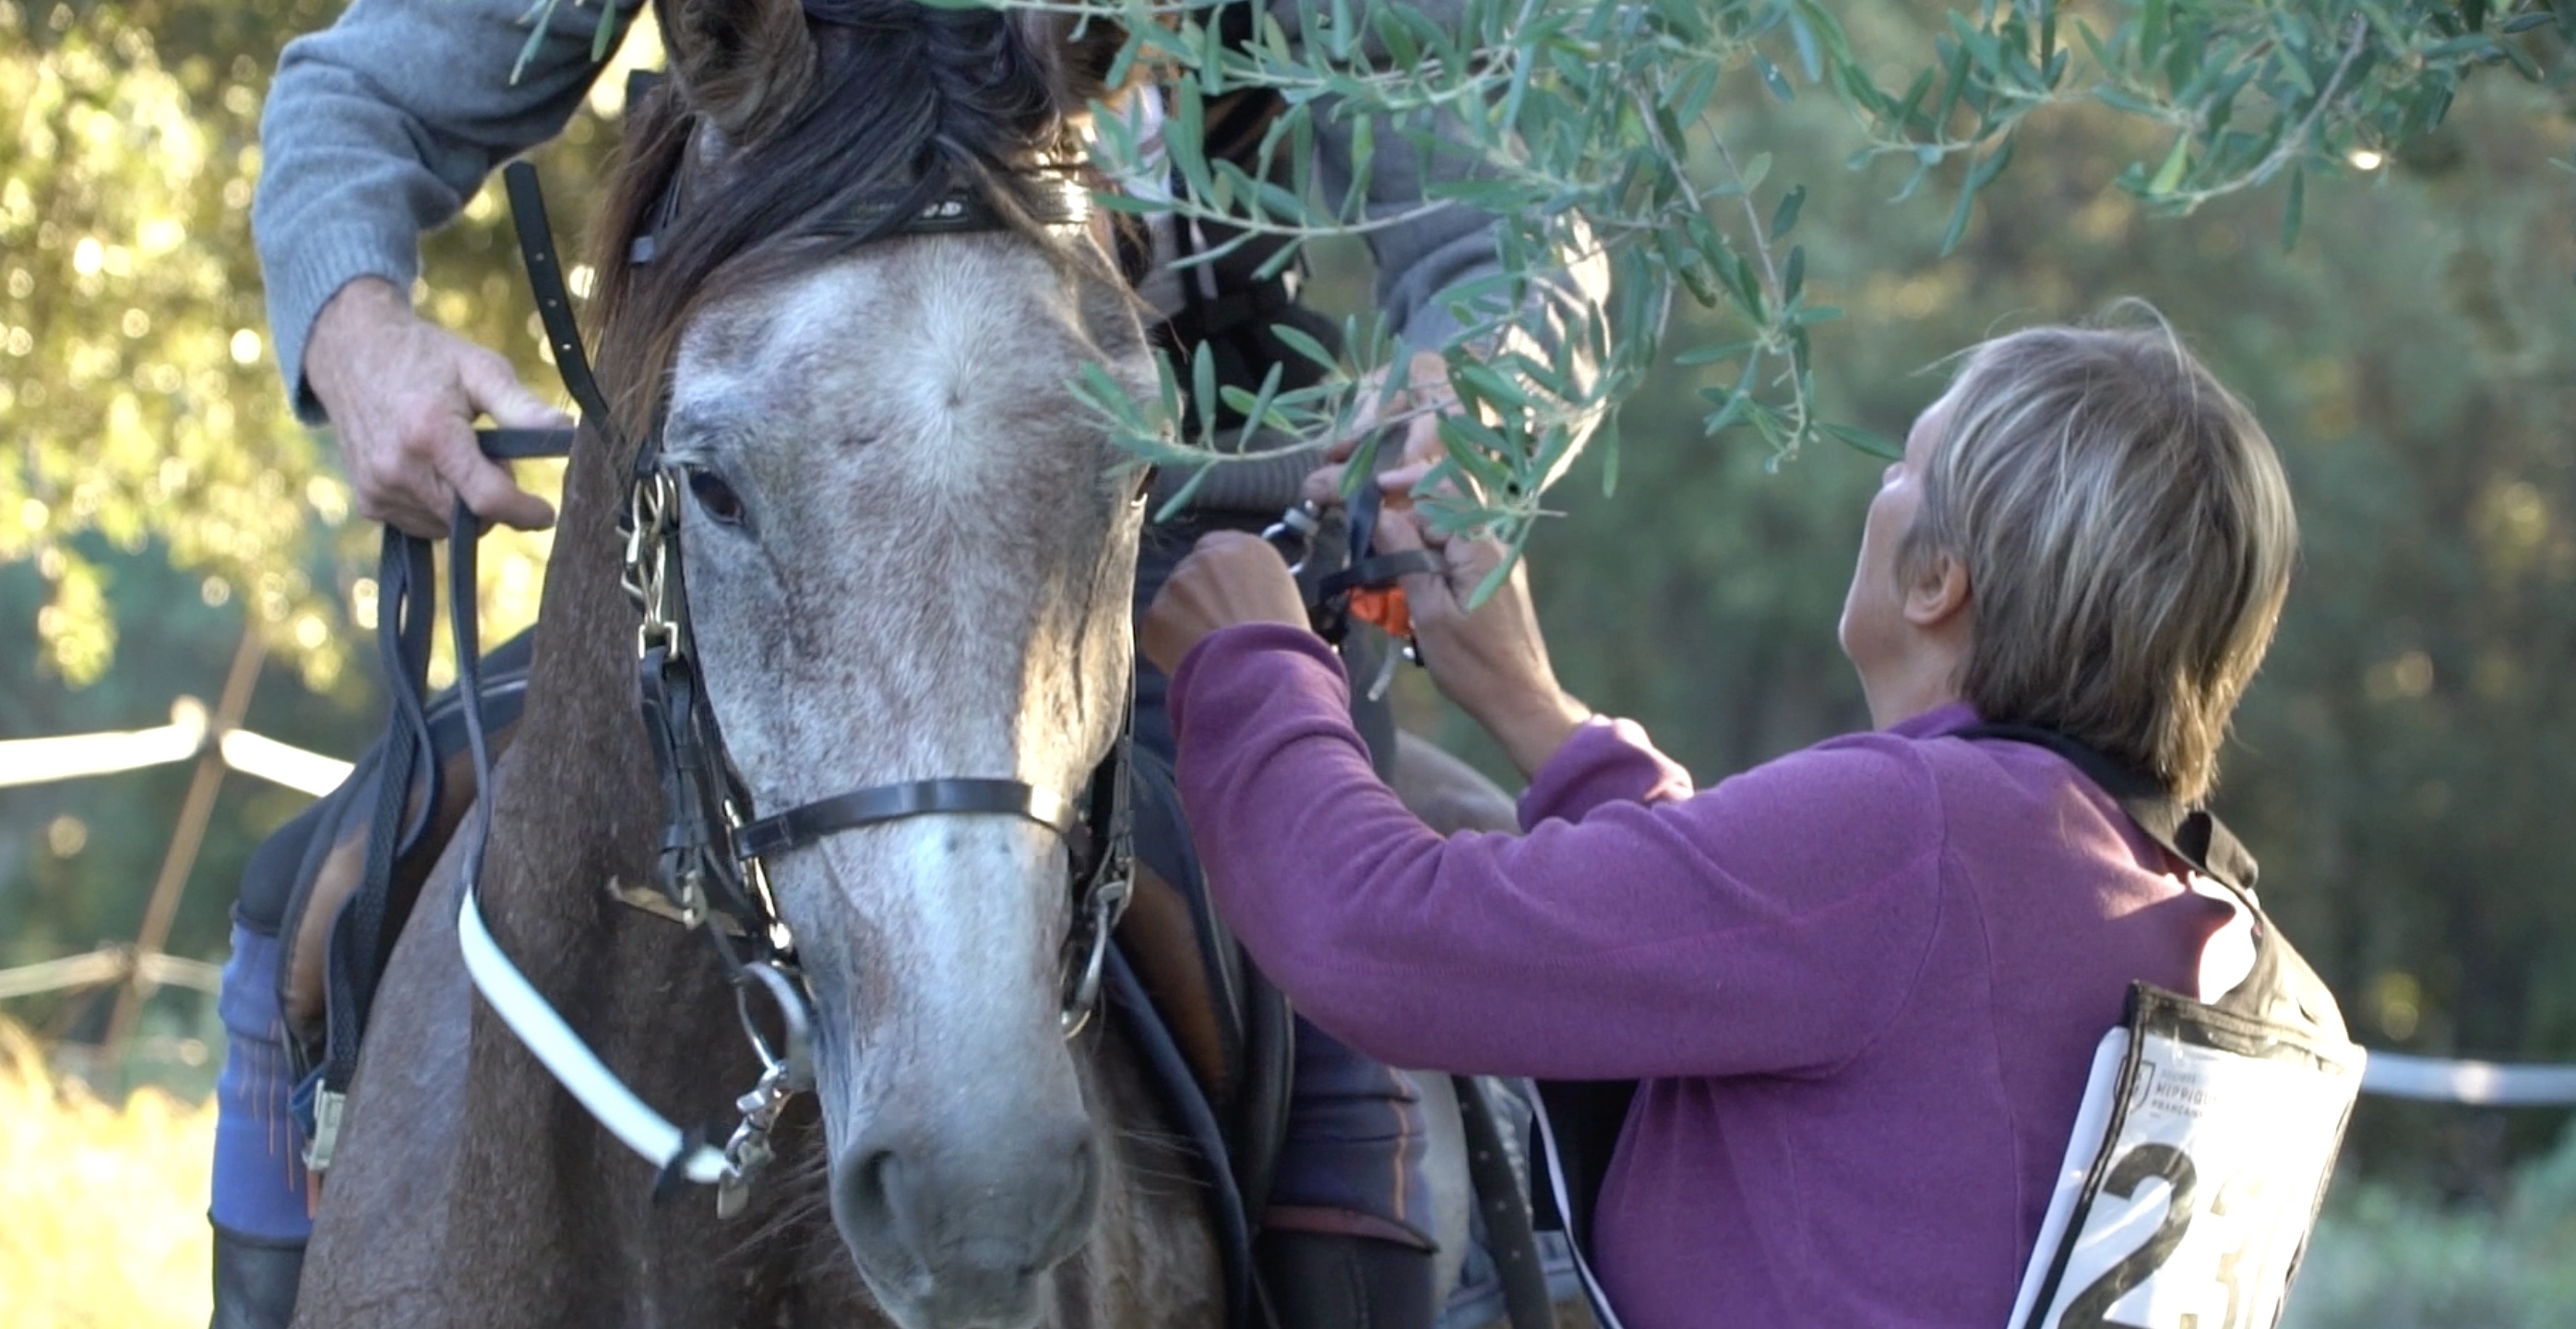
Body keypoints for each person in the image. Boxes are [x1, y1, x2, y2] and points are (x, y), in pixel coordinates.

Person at [213, 0, 1603, 1326]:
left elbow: (1525, 235)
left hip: (1162, 533)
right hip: (769, 530)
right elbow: (356, 99)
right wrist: (357, 328)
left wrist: (1479, 395)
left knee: (1321, 967)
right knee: (317, 891)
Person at [1140, 310, 2300, 1327]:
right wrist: (1523, 699)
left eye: (1901, 470)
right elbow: (1776, 944)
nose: (1877, 492)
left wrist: (1252, 661)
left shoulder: (1917, 835)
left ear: (1934, 577)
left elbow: (1374, 938)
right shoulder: (2204, 936)